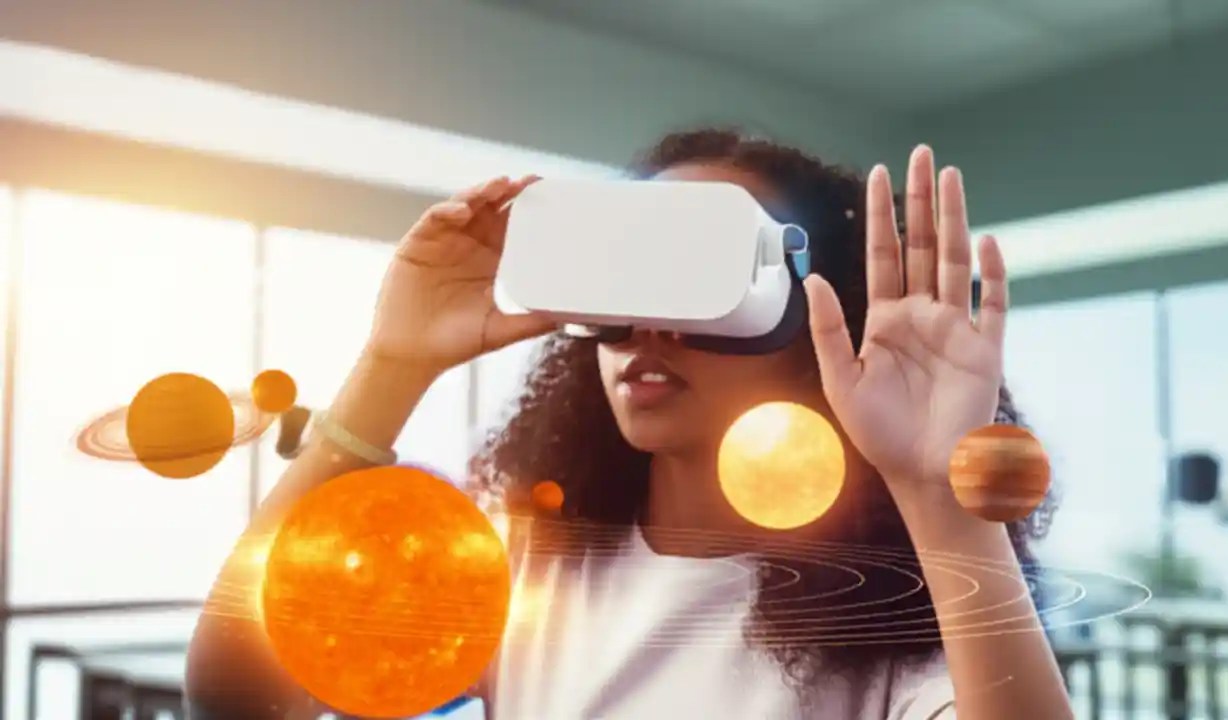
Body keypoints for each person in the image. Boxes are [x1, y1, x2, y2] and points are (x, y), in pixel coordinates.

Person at [185, 128, 1069, 719]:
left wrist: (934, 492)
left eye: (697, 275)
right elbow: (240, 695)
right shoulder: (524, 565)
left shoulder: (880, 617)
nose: (647, 329)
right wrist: (393, 364)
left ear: (817, 313)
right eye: (628, 275)